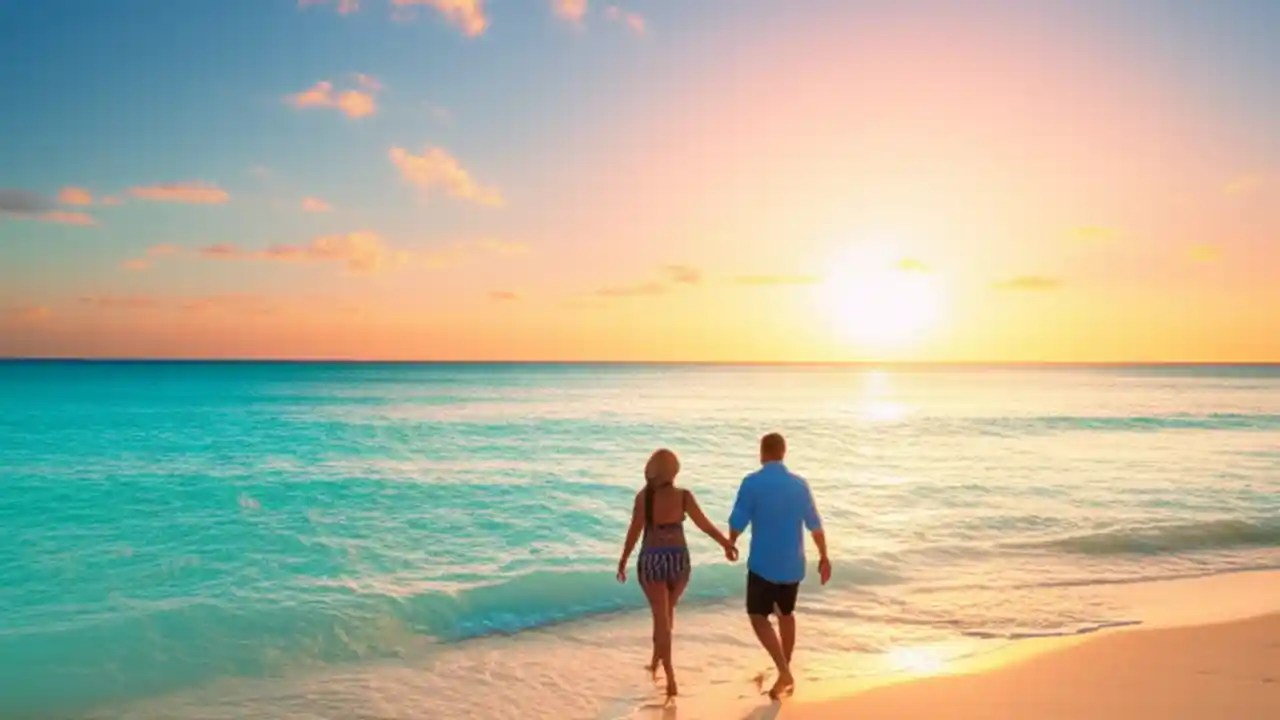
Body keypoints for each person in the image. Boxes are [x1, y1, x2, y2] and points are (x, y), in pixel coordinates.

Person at [616, 448, 739, 697]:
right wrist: (726, 544)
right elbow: (704, 525)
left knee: (661, 618)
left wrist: (624, 559)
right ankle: (656, 660)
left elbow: (635, 531)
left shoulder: (644, 498)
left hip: (652, 559)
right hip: (679, 561)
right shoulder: (684, 497)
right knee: (666, 616)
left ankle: (670, 676)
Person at [727, 432, 830, 699]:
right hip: (792, 564)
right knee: (786, 614)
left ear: (762, 453)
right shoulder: (799, 485)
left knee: (757, 616)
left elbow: (738, 520)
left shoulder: (752, 482)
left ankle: (783, 671)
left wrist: (731, 542)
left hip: (763, 563)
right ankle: (785, 673)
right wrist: (824, 556)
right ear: (783, 452)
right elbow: (815, 524)